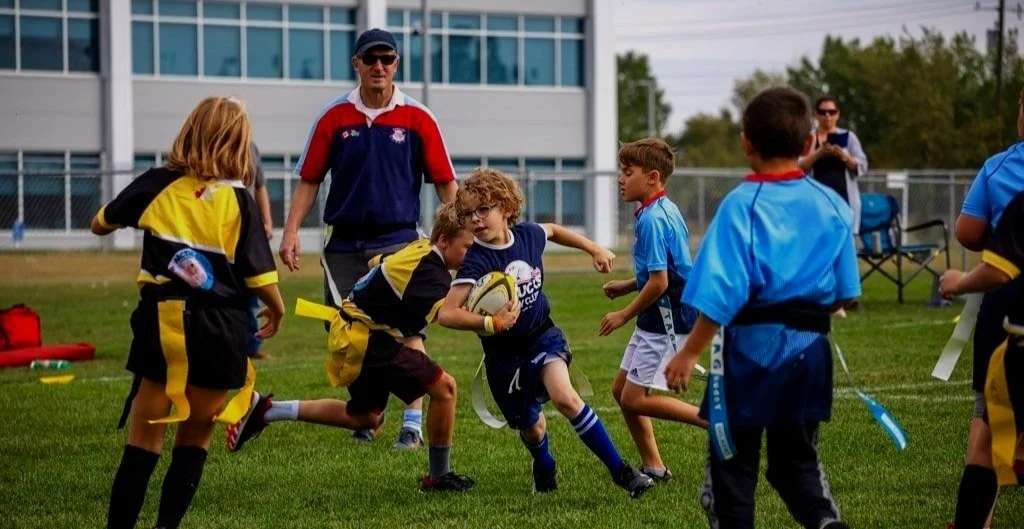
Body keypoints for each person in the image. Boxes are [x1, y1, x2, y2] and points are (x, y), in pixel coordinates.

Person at [664, 86, 858, 529]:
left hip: (749, 358)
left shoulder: (740, 206)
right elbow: (847, 292)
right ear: (809, 143)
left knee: (731, 479)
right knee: (797, 469)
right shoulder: (831, 203)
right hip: (811, 355)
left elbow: (720, 291)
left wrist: (690, 351)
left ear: (746, 141)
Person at [92, 96, 286, 529]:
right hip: (222, 328)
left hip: (163, 322)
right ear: (240, 142)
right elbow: (259, 276)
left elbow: (100, 222)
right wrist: (278, 310)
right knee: (196, 436)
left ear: (190, 131)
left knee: (143, 439)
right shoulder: (239, 200)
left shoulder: (157, 183)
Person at [278, 28, 458, 449]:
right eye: (370, 59)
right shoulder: (334, 117)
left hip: (399, 242)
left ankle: (412, 422)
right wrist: (288, 234)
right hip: (343, 245)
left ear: (396, 64)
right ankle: (365, 414)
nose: (379, 67)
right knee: (349, 330)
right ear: (356, 64)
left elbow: (446, 184)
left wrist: (465, 233)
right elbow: (308, 181)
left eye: (387, 59)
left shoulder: (418, 118)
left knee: (406, 330)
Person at [227, 203, 478, 492]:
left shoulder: (421, 248)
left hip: (357, 334)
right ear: (444, 240)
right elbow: (448, 315)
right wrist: (491, 322)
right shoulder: (430, 271)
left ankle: (267, 409)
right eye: (468, 248)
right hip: (366, 340)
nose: (472, 255)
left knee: (365, 416)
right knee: (445, 388)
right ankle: (438, 477)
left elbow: (377, 263)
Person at [437, 168, 655, 498]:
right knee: (532, 427)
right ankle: (544, 464)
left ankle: (624, 474)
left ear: (506, 208)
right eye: (468, 213)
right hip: (504, 358)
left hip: (542, 336)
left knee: (566, 397)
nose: (476, 219)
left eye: (484, 209)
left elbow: (551, 230)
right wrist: (490, 324)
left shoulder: (526, 235)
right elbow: (447, 314)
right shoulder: (475, 262)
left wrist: (593, 248)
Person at [599, 137, 707, 483]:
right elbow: (659, 272)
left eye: (627, 172)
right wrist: (628, 284)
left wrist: (622, 314)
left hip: (665, 317)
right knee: (621, 393)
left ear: (653, 177)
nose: (620, 179)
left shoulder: (652, 220)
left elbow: (660, 282)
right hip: (660, 313)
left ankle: (711, 419)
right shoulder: (659, 208)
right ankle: (655, 467)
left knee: (633, 397)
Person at [940, 87, 1024, 529]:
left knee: (990, 426)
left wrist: (959, 281)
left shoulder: (1004, 169)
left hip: (1012, 319)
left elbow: (975, 238)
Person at [798, 95, 868, 233]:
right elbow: (798, 166)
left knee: (845, 244)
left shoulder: (848, 137)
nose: (827, 116)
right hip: (817, 202)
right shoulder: (809, 138)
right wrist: (819, 153)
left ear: (838, 114)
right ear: (816, 115)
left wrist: (844, 156)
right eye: (823, 112)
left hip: (844, 201)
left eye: (832, 112)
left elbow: (862, 165)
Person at [247, 143, 274, 361]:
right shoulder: (210, 143)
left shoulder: (251, 148)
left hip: (248, 231)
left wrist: (266, 220)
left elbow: (260, 186)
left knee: (252, 290)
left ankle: (252, 345)